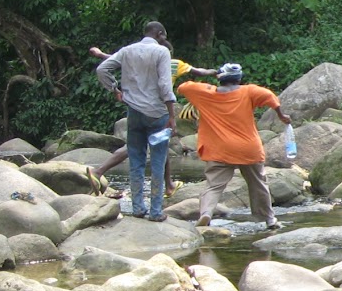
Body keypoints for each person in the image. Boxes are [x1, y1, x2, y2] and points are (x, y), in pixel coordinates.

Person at [86, 45, 214, 195]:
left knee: (151, 145)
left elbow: (117, 58)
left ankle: (168, 185)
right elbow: (199, 71)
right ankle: (99, 171)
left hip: (137, 108)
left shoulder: (143, 61)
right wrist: (218, 73)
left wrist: (100, 54)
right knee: (140, 146)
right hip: (157, 111)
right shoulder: (175, 64)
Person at [178, 63, 289, 230]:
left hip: (218, 149)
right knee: (258, 183)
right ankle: (269, 219)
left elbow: (183, 87)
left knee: (214, 185)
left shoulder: (205, 93)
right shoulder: (249, 91)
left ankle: (206, 213)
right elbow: (269, 96)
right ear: (239, 79)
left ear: (220, 78)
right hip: (248, 147)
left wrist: (208, 73)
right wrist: (281, 115)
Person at [95, 22, 176, 221]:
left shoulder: (127, 50)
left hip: (134, 113)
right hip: (157, 114)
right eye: (163, 36)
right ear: (159, 33)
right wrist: (172, 115)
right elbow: (165, 84)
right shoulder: (162, 52)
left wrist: (114, 89)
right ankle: (156, 211)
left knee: (136, 161)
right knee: (158, 161)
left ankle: (138, 208)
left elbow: (102, 69)